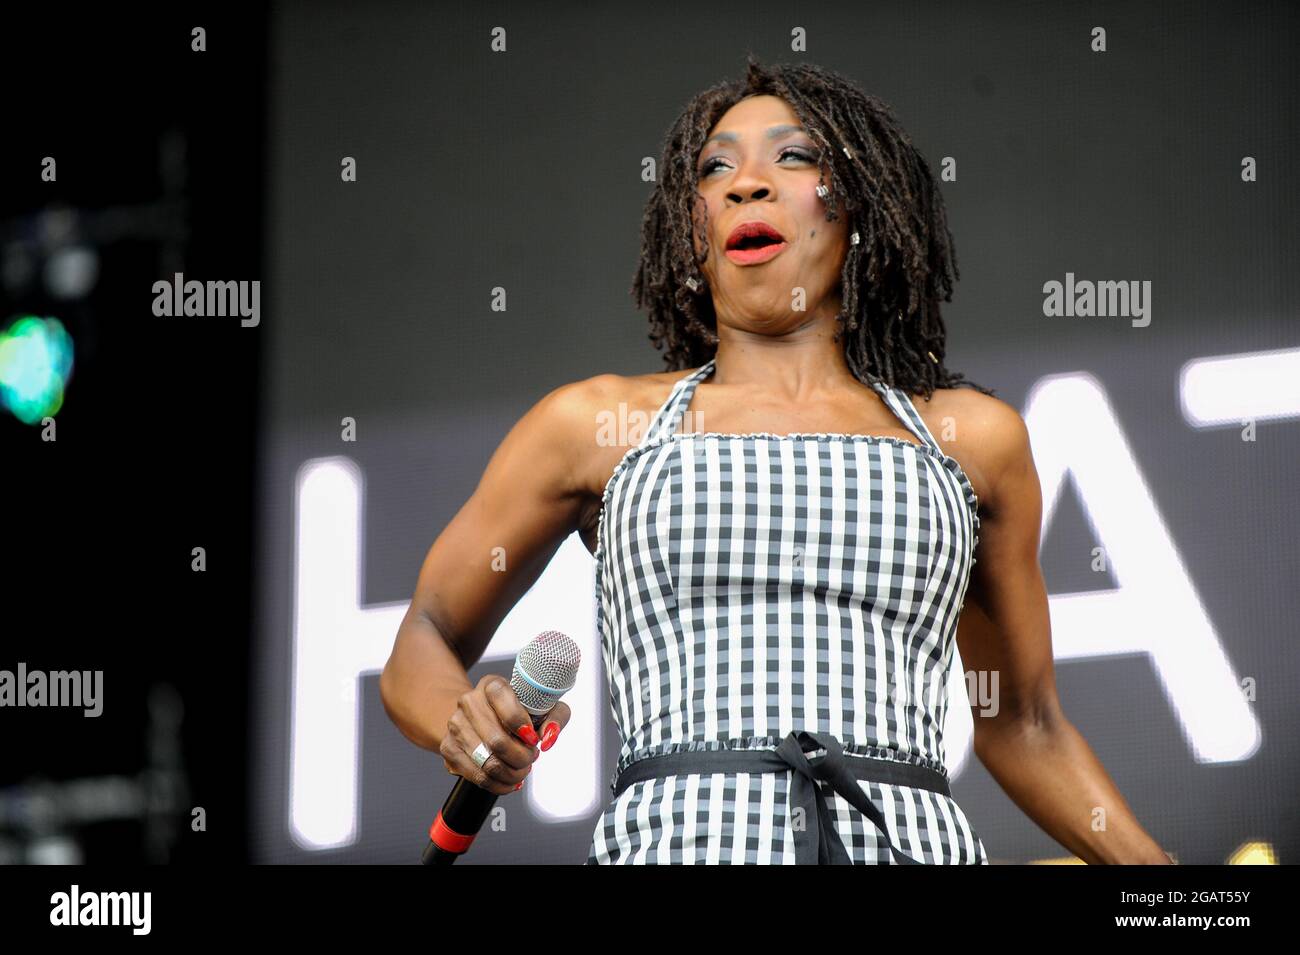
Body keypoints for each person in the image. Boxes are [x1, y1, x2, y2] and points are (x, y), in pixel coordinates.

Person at [380, 57, 1174, 864]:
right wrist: (462, 717)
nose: (745, 183)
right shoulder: (598, 424)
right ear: (694, 230)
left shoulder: (970, 439)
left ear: (860, 207)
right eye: (715, 167)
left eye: (793, 157)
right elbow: (426, 629)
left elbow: (1024, 723)